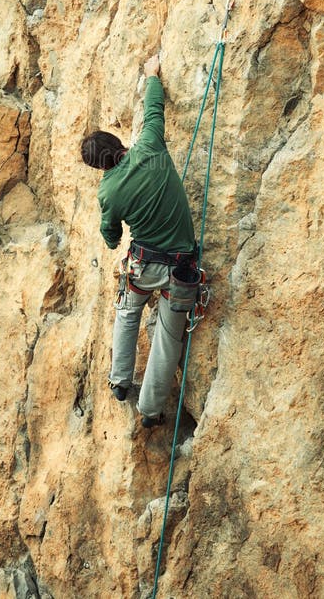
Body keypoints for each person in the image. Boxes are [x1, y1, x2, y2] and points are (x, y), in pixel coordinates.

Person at [80, 54, 199, 428]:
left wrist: (109, 210)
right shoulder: (149, 145)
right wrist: (152, 76)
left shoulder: (109, 192)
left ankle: (119, 381)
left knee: (129, 311)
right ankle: (149, 411)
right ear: (119, 142)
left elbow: (111, 238)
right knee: (168, 338)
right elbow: (153, 111)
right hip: (182, 268)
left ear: (98, 167)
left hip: (145, 267)